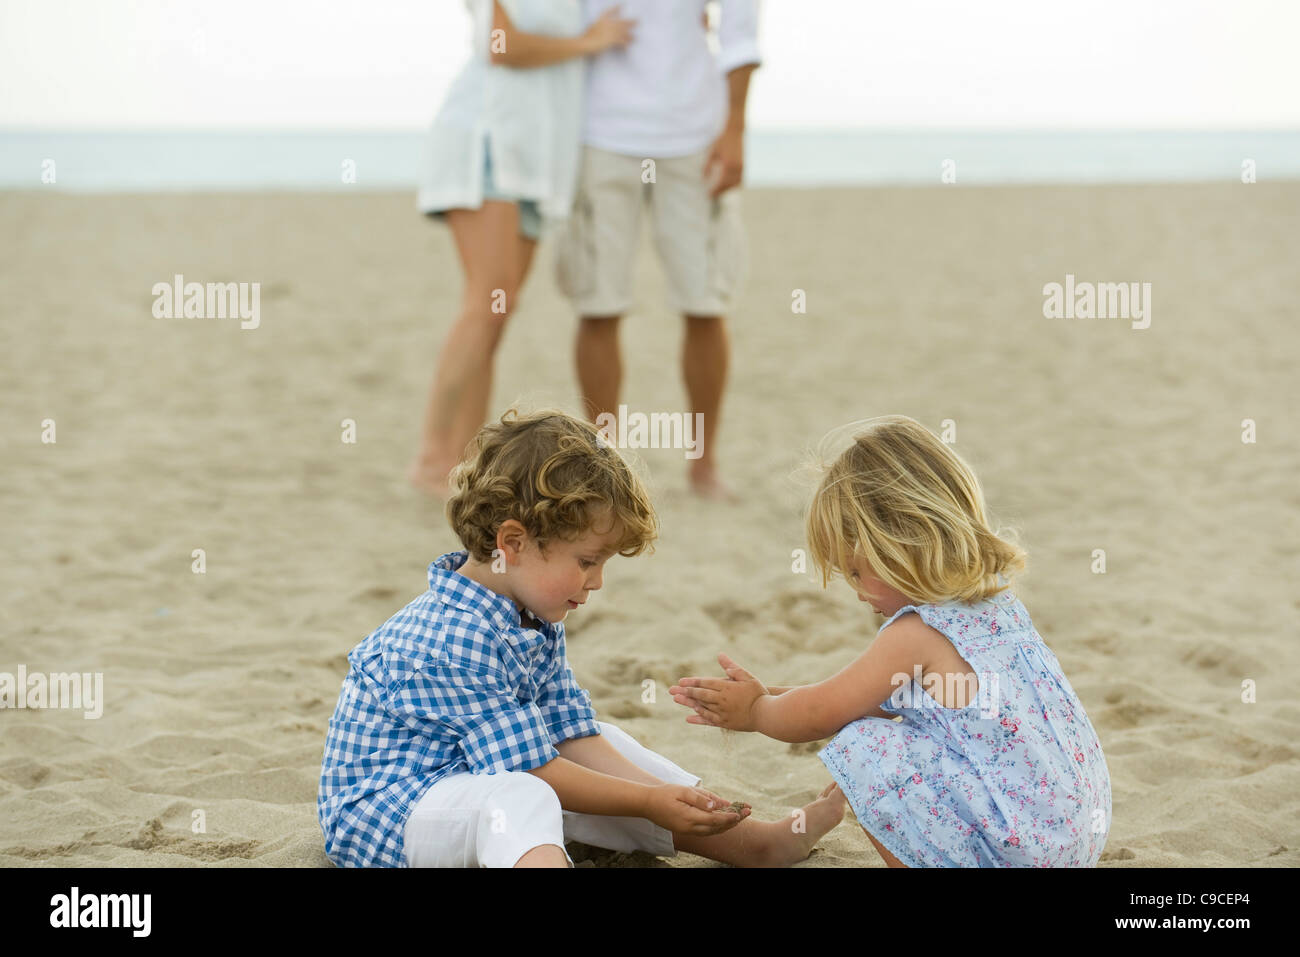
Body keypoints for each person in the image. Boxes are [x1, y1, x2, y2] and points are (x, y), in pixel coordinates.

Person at [320, 408, 847, 867]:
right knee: (525, 794)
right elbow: (527, 766)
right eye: (587, 561)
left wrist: (663, 794)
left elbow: (571, 734)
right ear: (513, 542)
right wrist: (645, 802)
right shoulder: (450, 637)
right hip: (388, 816)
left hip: (469, 786)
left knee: (607, 745)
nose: (596, 581)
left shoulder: (531, 616)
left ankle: (753, 844)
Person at [670, 415, 1113, 867]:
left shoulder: (915, 635)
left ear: (900, 544)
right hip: (1067, 836)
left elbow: (824, 713)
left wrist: (756, 712)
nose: (857, 590)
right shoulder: (997, 606)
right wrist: (767, 695)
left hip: (1017, 846)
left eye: (858, 571)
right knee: (874, 728)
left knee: (865, 746)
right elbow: (855, 698)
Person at [408, 1, 635, 496]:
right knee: (487, 304)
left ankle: (465, 464)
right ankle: (432, 456)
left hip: (537, 162)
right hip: (487, 142)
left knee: (498, 312)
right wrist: (589, 42)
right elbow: (501, 45)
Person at [556, 0, 761, 500]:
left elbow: (741, 33)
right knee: (599, 305)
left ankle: (704, 466)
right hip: (598, 133)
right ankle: (605, 466)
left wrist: (734, 129)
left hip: (695, 134)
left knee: (706, 305)